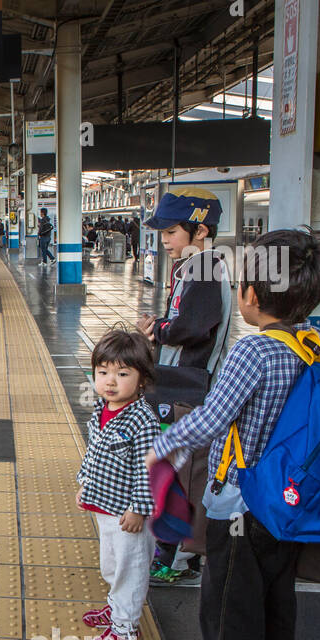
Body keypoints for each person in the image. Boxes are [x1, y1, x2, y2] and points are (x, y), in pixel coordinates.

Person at [146, 228, 320, 640]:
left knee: (229, 602)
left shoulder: (253, 352)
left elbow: (210, 419)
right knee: (276, 594)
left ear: (252, 295)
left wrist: (161, 448)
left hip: (244, 503)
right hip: (290, 502)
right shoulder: (316, 342)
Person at [135, 186, 232, 586]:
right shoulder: (196, 267)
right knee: (173, 471)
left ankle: (178, 561)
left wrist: (157, 330)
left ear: (201, 231)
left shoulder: (206, 268)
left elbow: (192, 328)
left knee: (184, 475)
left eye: (171, 232)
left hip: (190, 391)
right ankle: (169, 553)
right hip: (180, 385)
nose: (165, 242)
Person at [76, 328, 160, 640]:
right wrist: (85, 482)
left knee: (131, 569)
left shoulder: (143, 420)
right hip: (105, 506)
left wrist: (139, 509)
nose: (110, 381)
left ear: (142, 379)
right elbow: (94, 453)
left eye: (122, 373)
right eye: (103, 372)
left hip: (129, 514)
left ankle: (124, 631)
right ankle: (115, 610)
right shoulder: (103, 409)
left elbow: (149, 469)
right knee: (111, 565)